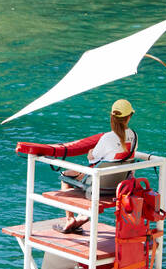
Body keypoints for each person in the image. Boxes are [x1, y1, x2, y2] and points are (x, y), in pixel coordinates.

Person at [57, 98, 138, 232]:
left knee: (65, 174)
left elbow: (91, 158)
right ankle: (83, 215)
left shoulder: (107, 138)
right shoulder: (134, 136)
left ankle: (70, 218)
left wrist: (90, 151)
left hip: (98, 185)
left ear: (112, 117)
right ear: (129, 117)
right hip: (119, 185)